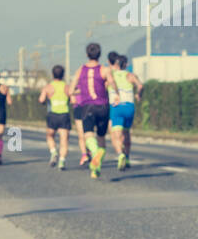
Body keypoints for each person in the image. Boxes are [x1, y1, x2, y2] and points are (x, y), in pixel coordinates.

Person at [73, 43, 113, 179]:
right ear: (100, 54)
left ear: (86, 54)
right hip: (103, 107)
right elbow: (112, 84)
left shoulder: (81, 70)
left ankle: (95, 152)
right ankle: (96, 169)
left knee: (88, 135)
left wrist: (81, 90)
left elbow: (71, 89)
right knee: (101, 137)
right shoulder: (105, 70)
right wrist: (117, 94)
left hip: (87, 107)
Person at [109, 54, 143, 170]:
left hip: (116, 107)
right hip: (129, 107)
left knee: (116, 134)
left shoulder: (111, 76)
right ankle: (127, 158)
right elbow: (140, 86)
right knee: (127, 133)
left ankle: (120, 154)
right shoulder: (130, 75)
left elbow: (103, 87)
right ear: (126, 65)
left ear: (117, 64)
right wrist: (138, 94)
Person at [38, 64, 72, 169]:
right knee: (64, 140)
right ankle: (62, 161)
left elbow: (41, 100)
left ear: (53, 74)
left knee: (50, 136)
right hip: (64, 115)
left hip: (52, 115)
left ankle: (53, 152)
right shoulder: (67, 87)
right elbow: (74, 100)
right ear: (63, 75)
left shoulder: (48, 87)